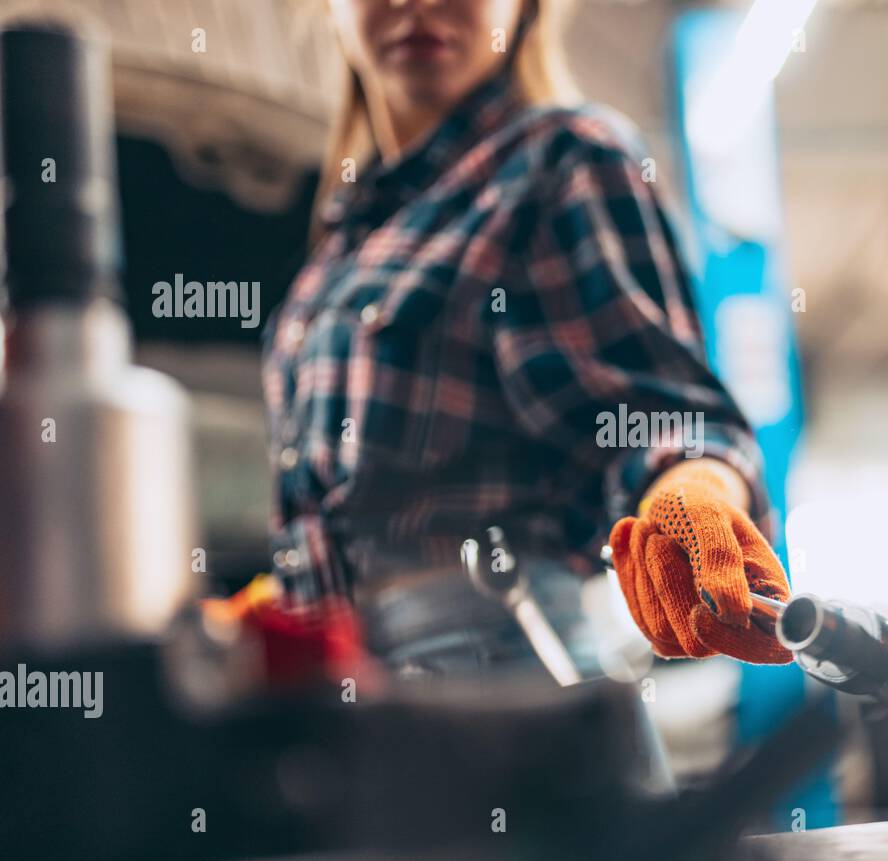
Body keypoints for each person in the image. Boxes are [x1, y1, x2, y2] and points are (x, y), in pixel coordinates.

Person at [253, 0, 794, 686]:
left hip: (509, 689)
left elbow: (669, 421)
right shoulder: (338, 248)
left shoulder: (566, 158)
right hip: (340, 704)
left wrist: (691, 487)